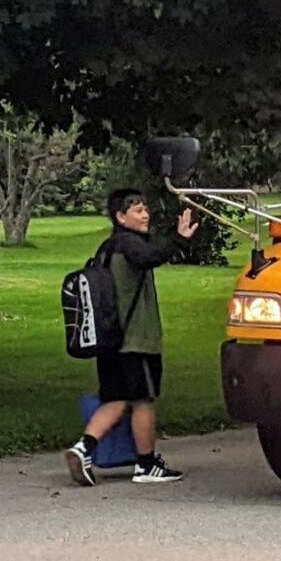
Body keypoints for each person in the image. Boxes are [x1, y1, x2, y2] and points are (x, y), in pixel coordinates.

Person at [63, 188, 199, 486]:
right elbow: (151, 256)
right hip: (135, 341)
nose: (146, 214)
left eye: (145, 208)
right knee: (142, 400)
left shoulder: (106, 248)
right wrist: (179, 238)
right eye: (138, 210)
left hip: (108, 341)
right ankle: (146, 465)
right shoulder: (130, 245)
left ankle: (84, 447)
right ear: (120, 216)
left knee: (115, 399)